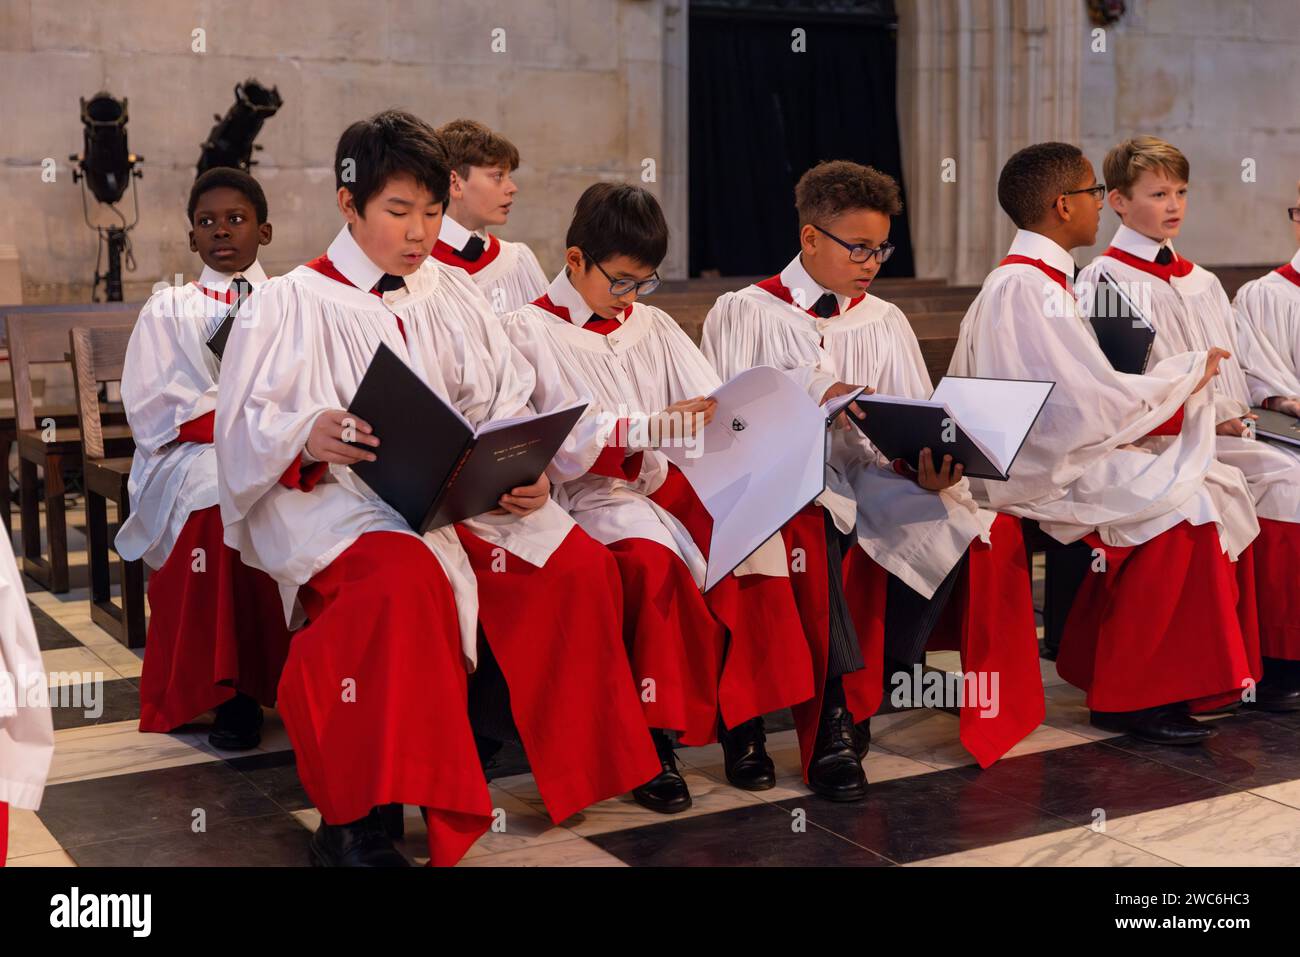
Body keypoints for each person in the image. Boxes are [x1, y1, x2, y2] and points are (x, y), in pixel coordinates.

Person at [215, 110, 658, 867]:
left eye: (431, 212)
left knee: (576, 566)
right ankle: (358, 816)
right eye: (397, 211)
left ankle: (477, 754)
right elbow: (243, 429)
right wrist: (305, 436)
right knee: (399, 583)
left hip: (462, 497)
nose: (419, 232)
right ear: (347, 202)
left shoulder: (451, 293)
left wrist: (524, 467)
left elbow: (508, 397)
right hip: (341, 503)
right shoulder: (290, 302)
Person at [703, 160, 1044, 774]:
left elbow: (913, 409)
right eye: (858, 247)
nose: (871, 263)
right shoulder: (745, 311)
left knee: (963, 524)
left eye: (881, 249)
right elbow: (721, 420)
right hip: (772, 481)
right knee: (817, 525)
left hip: (866, 473)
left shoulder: (883, 319)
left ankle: (879, 683)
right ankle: (819, 718)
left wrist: (932, 465)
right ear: (810, 238)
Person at [504, 182, 814, 811]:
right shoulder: (524, 330)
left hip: (669, 479)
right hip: (588, 496)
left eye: (643, 283)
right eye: (620, 281)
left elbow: (707, 402)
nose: (631, 297)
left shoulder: (654, 323)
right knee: (650, 565)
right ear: (574, 260)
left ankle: (741, 721)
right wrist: (647, 428)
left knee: (757, 538)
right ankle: (655, 741)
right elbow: (549, 439)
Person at [950, 141, 1260, 744]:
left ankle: (1131, 671)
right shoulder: (1026, 287)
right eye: (1095, 194)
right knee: (1184, 505)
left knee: (1207, 487)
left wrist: (1171, 395)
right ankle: (1131, 697)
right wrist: (1183, 382)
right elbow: (1080, 407)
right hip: (1033, 467)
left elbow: (1084, 396)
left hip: (1056, 452)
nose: (1101, 206)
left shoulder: (1040, 279)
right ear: (1064, 206)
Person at [1080, 136, 1300, 705]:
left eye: (1180, 192)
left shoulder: (1199, 280)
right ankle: (1271, 663)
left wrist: (1237, 412)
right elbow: (1113, 389)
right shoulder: (1102, 282)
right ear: (1119, 203)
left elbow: (1235, 374)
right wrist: (1196, 416)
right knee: (1278, 482)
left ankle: (1280, 652)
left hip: (1219, 430)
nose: (1173, 205)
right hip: (1152, 442)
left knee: (1287, 471)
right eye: (1157, 193)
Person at [118, 167, 291, 749]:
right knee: (220, 502)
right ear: (191, 238)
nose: (222, 231)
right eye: (207, 222)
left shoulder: (296, 302)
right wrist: (238, 419)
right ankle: (232, 691)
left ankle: (305, 675)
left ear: (263, 231)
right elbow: (155, 408)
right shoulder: (167, 309)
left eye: (236, 219)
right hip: (190, 452)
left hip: (283, 441)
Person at [429, 118, 547, 313]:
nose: (512, 188)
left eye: (510, 177)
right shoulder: (418, 267)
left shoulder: (516, 262)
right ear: (455, 183)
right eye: (498, 176)